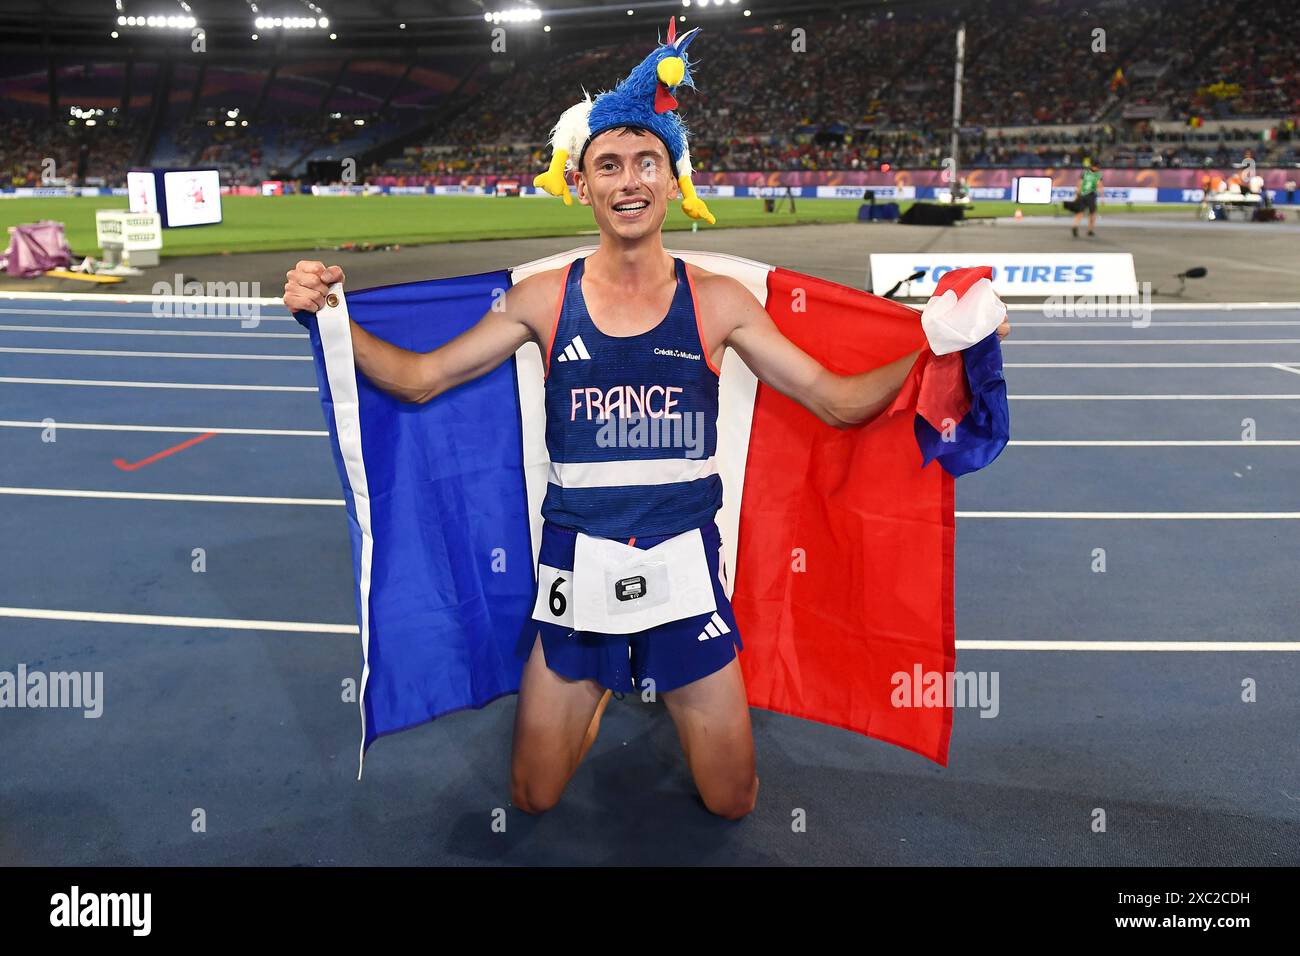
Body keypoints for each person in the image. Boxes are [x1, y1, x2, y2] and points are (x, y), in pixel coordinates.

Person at [283, 21, 1010, 820]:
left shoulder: (719, 303)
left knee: (732, 803)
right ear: (583, 185)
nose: (628, 180)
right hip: (575, 568)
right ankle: (599, 687)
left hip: (684, 571)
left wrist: (935, 345)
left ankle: (647, 677)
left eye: (646, 163)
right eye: (608, 166)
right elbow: (419, 381)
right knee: (532, 797)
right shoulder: (542, 299)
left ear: (671, 181)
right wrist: (328, 318)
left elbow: (835, 400)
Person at [1072, 161, 1102, 237]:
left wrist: (1077, 194)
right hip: (1091, 195)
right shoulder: (1098, 174)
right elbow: (1099, 185)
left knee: (1080, 212)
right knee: (1092, 214)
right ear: (1096, 167)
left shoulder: (1084, 173)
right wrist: (1102, 196)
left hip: (1082, 194)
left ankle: (1075, 226)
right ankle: (1090, 230)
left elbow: (1079, 184)